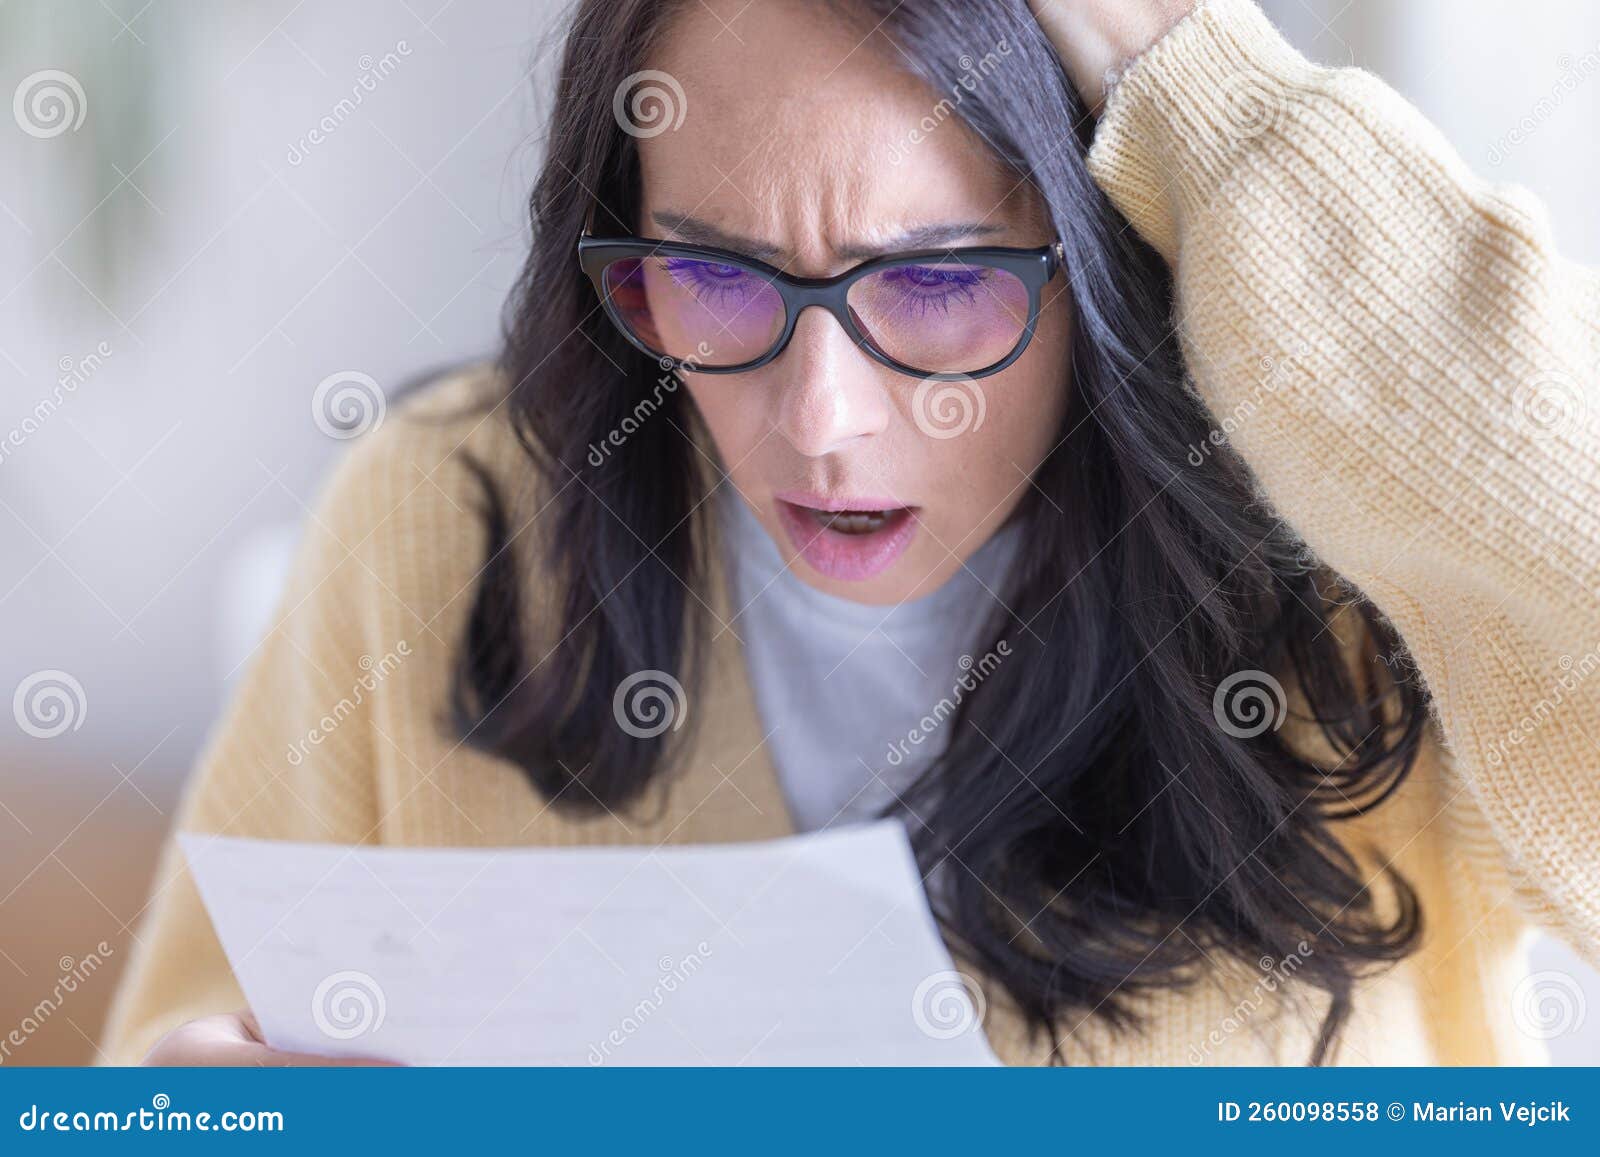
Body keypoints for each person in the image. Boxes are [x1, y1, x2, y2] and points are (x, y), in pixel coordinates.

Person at [105, 0, 1600, 1066]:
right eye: (717, 279)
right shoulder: (437, 519)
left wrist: (1205, 89)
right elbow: (164, 1082)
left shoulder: (1356, 547)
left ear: (1093, 263)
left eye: (938, 285)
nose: (819, 419)